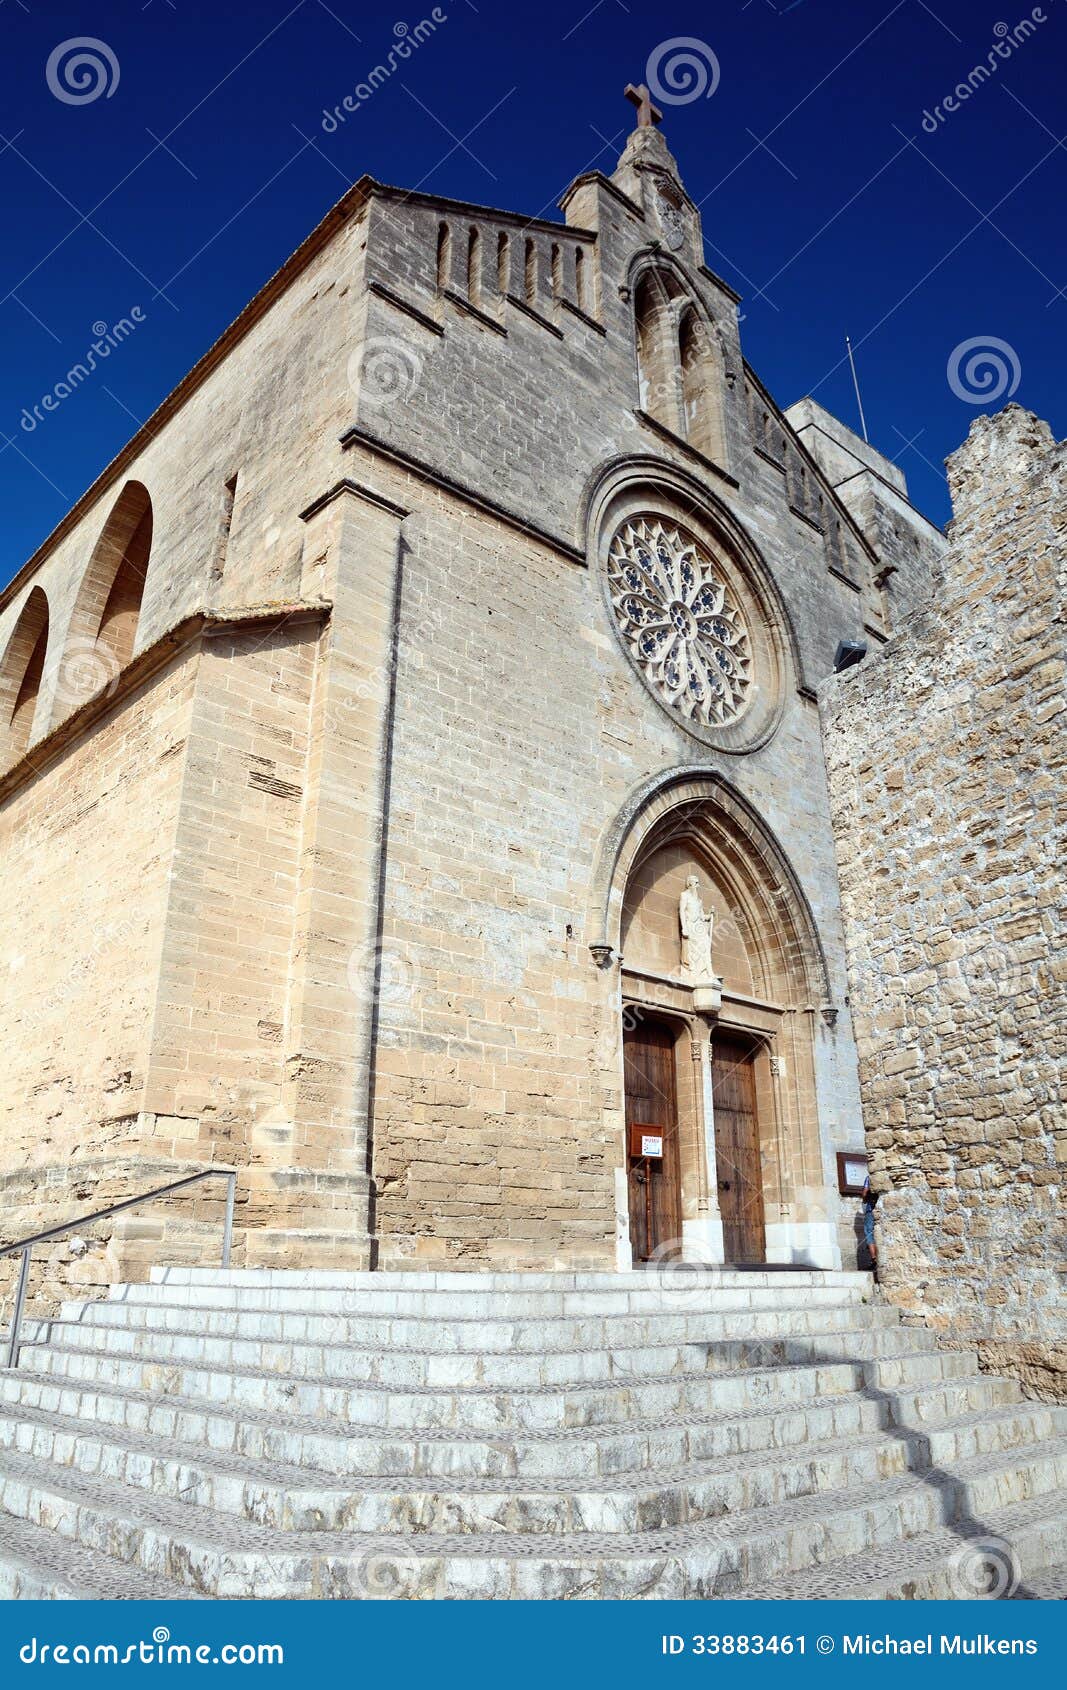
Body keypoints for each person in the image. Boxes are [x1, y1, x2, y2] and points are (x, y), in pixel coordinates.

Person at [862, 1174, 878, 1277]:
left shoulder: (869, 1177)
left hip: (871, 1208)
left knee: (869, 1233)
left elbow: (865, 1193)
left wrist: (864, 1200)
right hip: (880, 1207)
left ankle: (874, 1260)